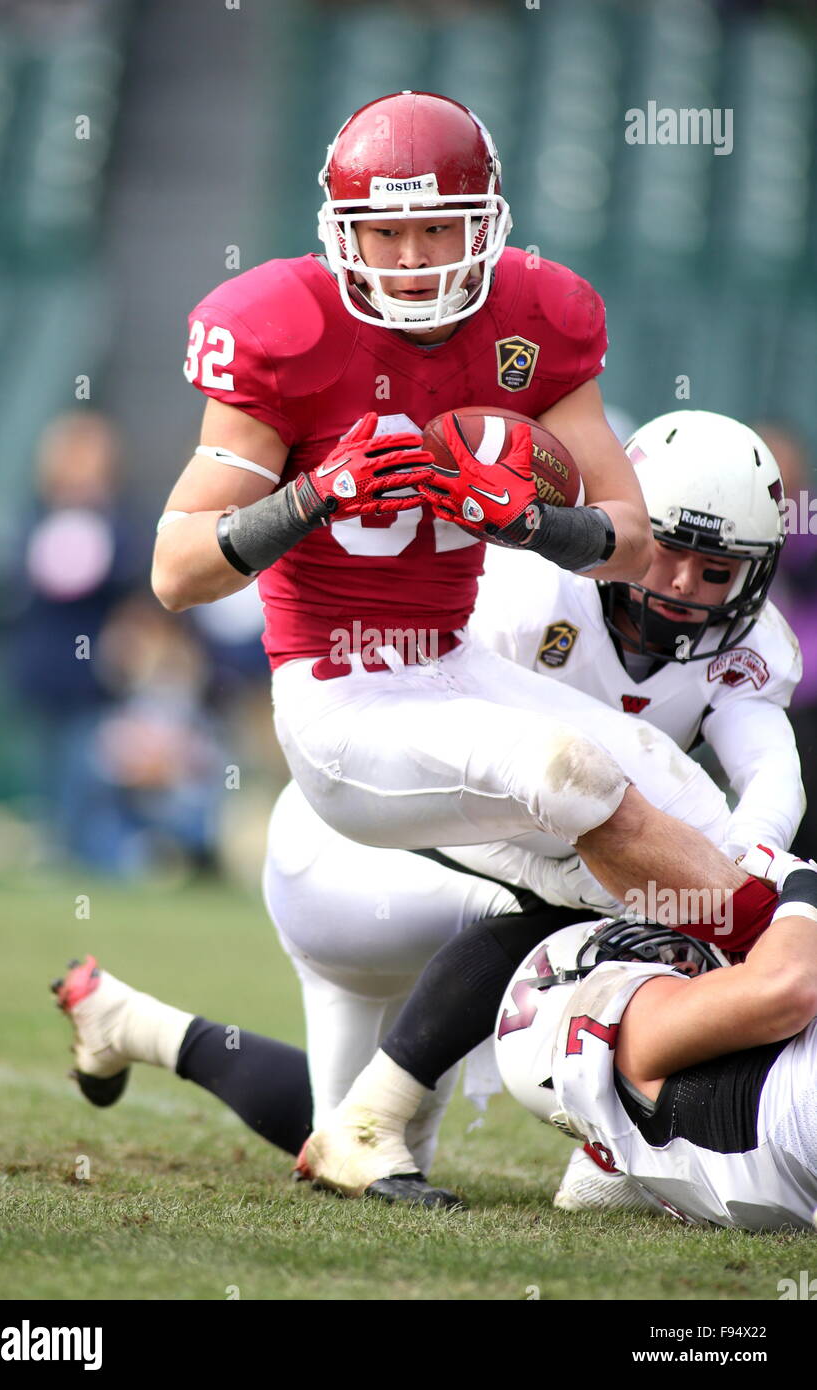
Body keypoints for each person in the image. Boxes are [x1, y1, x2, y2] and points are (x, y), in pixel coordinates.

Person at [150, 90, 782, 1200]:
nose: (408, 256)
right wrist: (310, 496)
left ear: (484, 222)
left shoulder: (538, 314)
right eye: (384, 231)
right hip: (340, 699)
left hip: (451, 663)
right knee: (569, 778)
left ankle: (680, 1080)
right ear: (339, 232)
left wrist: (527, 519)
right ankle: (771, 982)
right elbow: (176, 568)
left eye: (434, 227)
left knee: (685, 802)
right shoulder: (281, 326)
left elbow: (628, 543)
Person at [49, 844, 815, 1227]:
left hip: (462, 852)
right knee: (555, 909)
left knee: (349, 1132)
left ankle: (125, 1021)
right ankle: (370, 1110)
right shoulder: (551, 596)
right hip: (358, 849)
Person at [495, 846, 817, 1232]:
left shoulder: (661, 1164)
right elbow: (785, 989)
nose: (679, 959)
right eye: (630, 951)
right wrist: (801, 884)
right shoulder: (621, 1030)